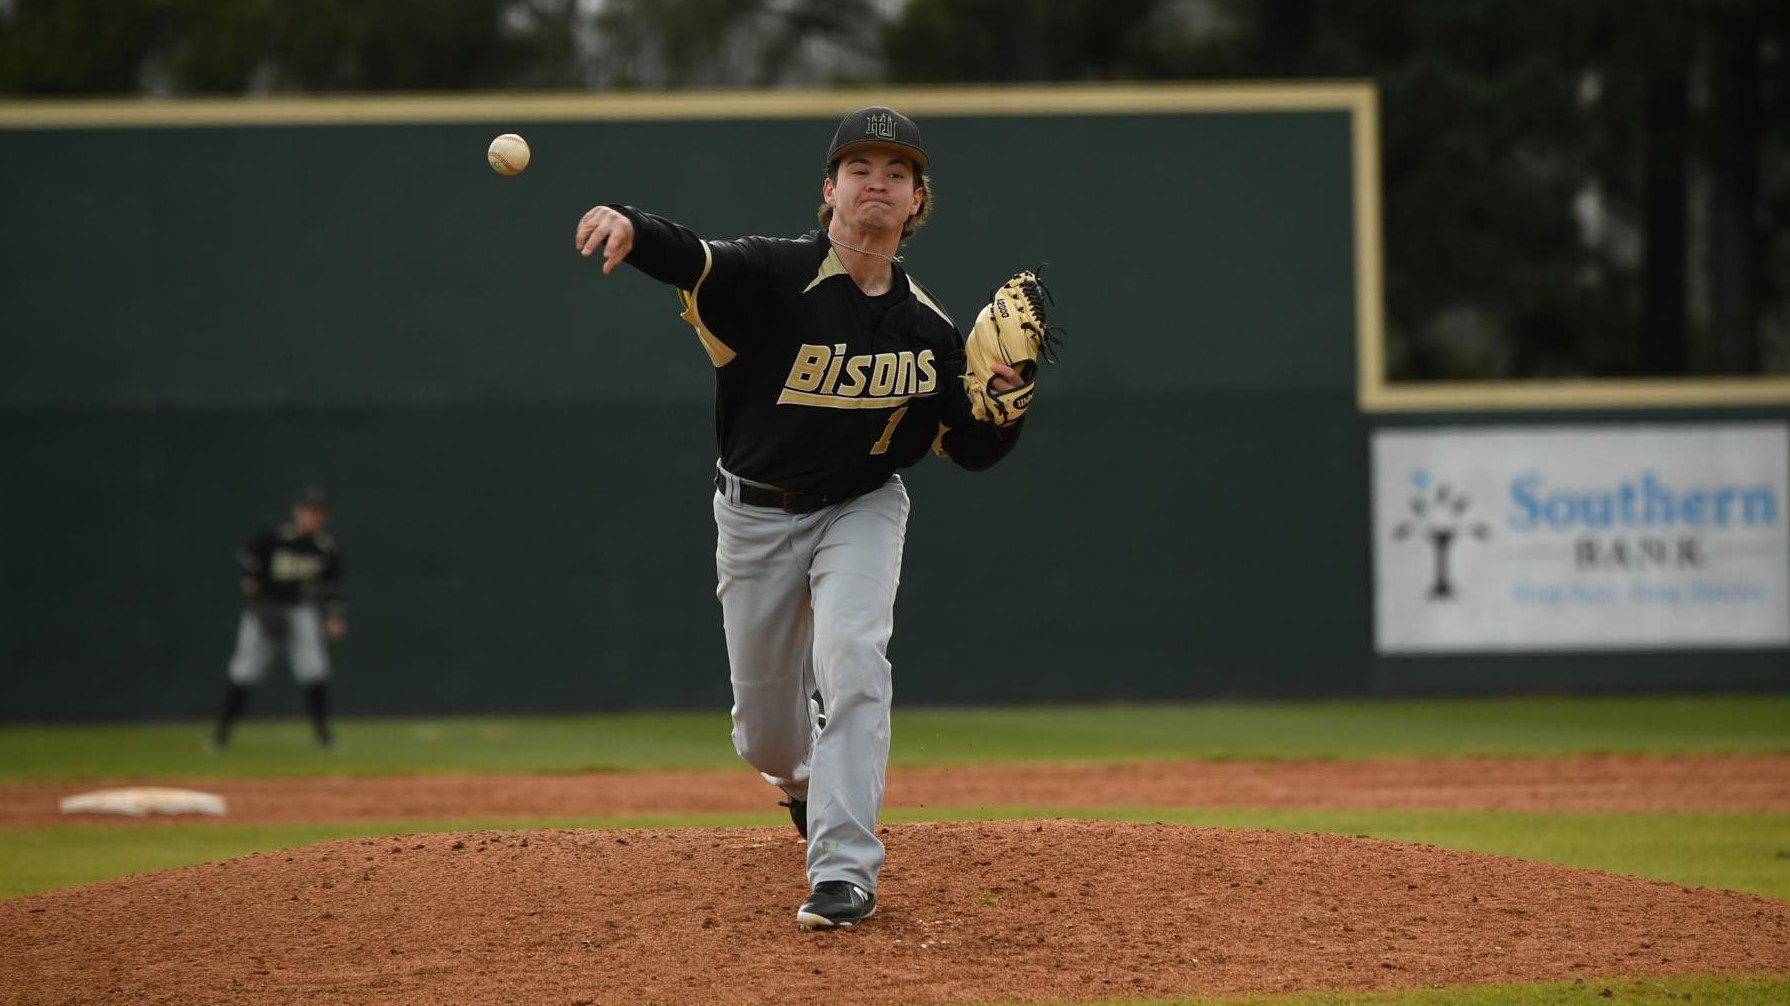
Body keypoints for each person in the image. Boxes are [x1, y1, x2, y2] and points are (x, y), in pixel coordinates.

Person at [574, 106, 1029, 930]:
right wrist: (633, 229)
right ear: (830, 190)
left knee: (853, 658)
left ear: (917, 201)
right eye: (860, 168)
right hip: (754, 517)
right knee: (766, 739)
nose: (878, 182)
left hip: (861, 505)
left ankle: (844, 872)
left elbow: (968, 450)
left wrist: (1006, 408)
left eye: (897, 172)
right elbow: (695, 255)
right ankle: (803, 784)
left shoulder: (929, 331)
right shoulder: (773, 276)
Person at [210, 485, 347, 750]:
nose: (313, 517)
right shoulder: (275, 537)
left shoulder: (325, 548)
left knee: (314, 671)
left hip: (301, 611)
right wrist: (253, 588)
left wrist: (334, 617)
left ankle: (324, 736)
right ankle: (221, 734)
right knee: (244, 670)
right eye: (309, 511)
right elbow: (248, 560)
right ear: (298, 511)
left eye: (318, 513)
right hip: (266, 608)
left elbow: (332, 587)